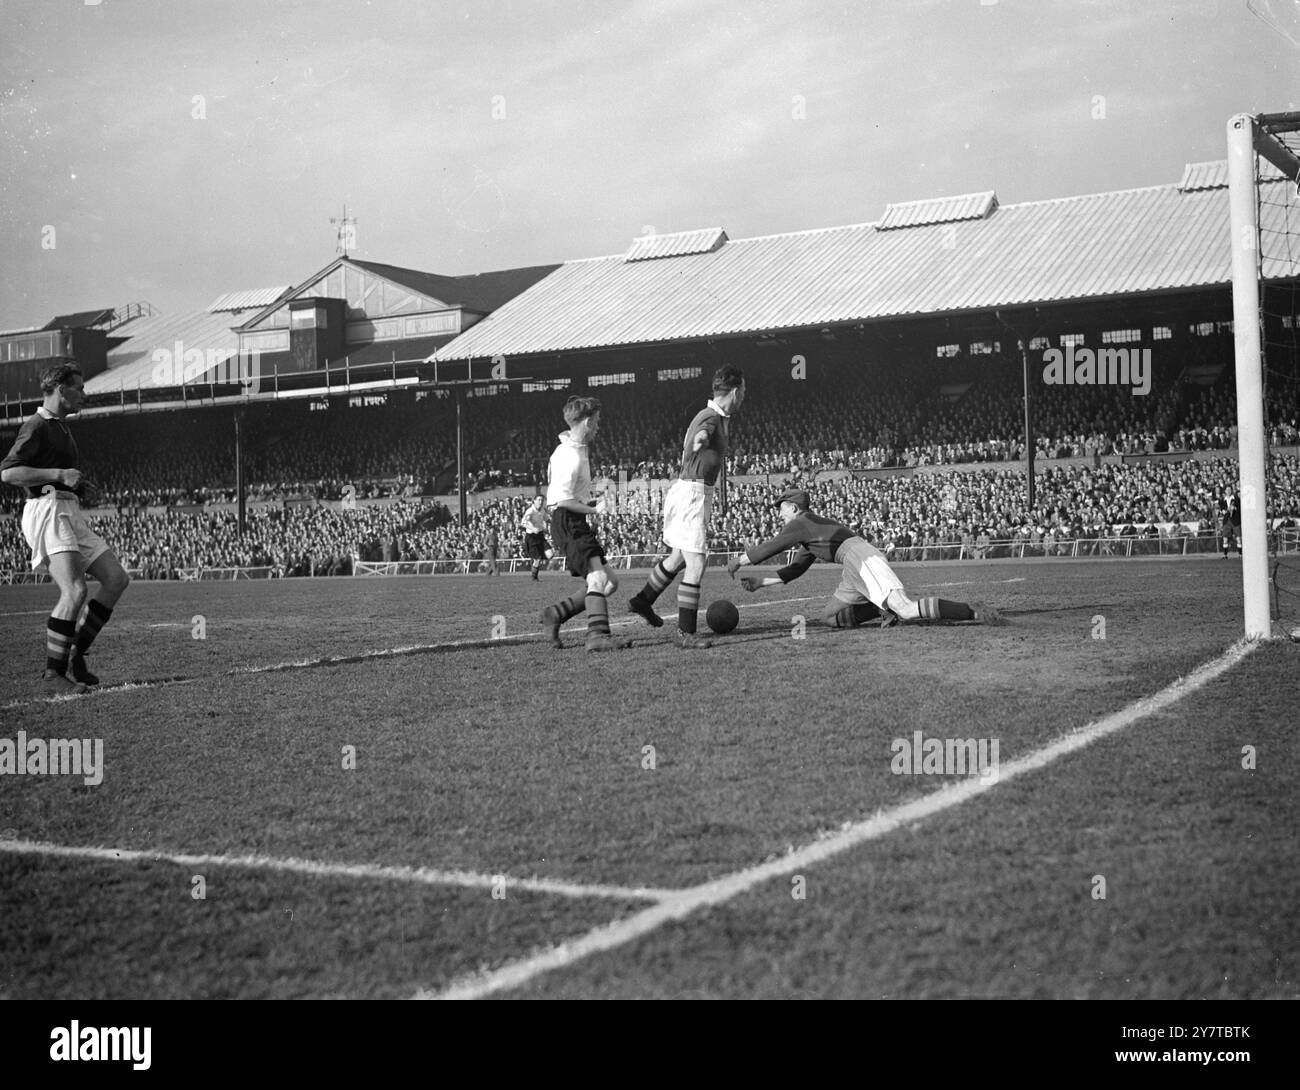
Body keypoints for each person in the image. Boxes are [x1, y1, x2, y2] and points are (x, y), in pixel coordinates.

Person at [0, 363, 131, 693]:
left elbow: (54, 473)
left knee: (116, 579)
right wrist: (60, 476)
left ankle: (74, 652)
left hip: (67, 507)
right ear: (61, 389)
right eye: (80, 388)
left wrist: (76, 486)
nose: (85, 395)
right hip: (47, 510)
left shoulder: (62, 428)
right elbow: (8, 473)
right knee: (74, 591)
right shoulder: (37, 425)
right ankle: (53, 676)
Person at [726, 488, 1001, 628]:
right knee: (831, 618)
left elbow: (769, 548)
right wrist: (760, 582)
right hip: (853, 563)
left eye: (781, 508)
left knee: (906, 609)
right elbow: (795, 569)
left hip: (860, 558)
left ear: (794, 507)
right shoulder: (809, 530)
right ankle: (882, 609)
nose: (778, 513)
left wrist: (740, 560)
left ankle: (971, 610)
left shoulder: (801, 522)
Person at [628, 365, 746, 649]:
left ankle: (642, 601)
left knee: (679, 557)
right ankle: (686, 633)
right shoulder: (710, 416)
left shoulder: (717, 416)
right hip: (692, 493)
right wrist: (698, 441)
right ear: (734, 391)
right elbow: (698, 437)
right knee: (697, 562)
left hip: (694, 491)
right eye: (743, 390)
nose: (744, 396)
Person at [539, 396, 632, 652]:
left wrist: (593, 501)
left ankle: (555, 614)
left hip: (572, 519)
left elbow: (571, 496)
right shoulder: (569, 455)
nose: (599, 427)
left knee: (610, 583)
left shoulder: (577, 449)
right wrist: (594, 508)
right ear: (588, 422)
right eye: (598, 422)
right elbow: (561, 500)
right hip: (567, 521)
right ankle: (597, 635)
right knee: (599, 578)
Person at [519, 494, 553, 580]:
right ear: (534, 501)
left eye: (542, 500)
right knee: (537, 559)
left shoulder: (542, 510)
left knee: (550, 554)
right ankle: (534, 577)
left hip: (540, 535)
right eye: (538, 500)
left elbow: (546, 518)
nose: (540, 502)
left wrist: (553, 522)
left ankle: (535, 563)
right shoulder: (530, 511)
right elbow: (523, 522)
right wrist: (533, 528)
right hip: (531, 537)